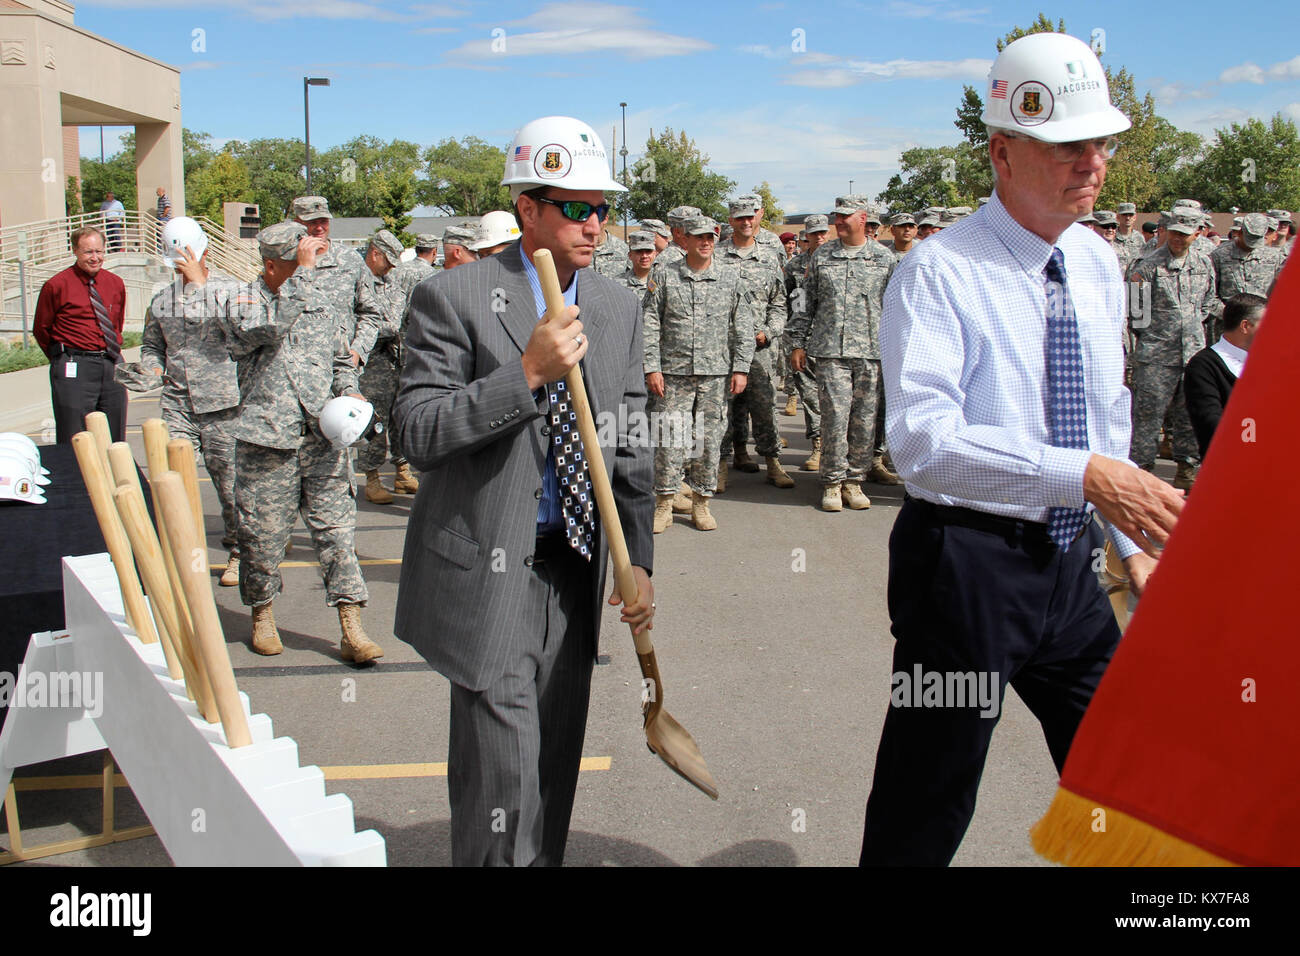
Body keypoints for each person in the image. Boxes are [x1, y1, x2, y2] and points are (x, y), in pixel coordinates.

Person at [860, 31, 1184, 866]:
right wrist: (1084, 475)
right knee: (928, 795)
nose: (1093, 163)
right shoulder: (938, 271)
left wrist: (1129, 541)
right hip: (965, 571)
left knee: (1123, 776)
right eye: (1067, 145)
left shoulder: (1098, 259)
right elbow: (925, 444)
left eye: (1102, 143)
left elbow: (1105, 411)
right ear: (1003, 151)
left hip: (1070, 567)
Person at [392, 115, 655, 867]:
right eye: (576, 206)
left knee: (552, 769)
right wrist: (526, 375)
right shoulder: (454, 297)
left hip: (573, 566)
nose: (595, 223)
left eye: (603, 206)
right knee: (503, 775)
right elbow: (415, 430)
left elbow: (628, 440)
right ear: (528, 207)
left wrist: (636, 559)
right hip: (489, 568)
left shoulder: (615, 307)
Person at [220, 221, 382, 662]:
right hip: (266, 442)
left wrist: (350, 390)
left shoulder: (319, 302)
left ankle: (352, 628)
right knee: (263, 538)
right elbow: (263, 333)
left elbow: (339, 359)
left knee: (337, 535)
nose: (304, 269)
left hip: (322, 439)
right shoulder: (243, 302)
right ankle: (263, 614)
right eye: (295, 263)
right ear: (271, 265)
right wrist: (306, 276)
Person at [139, 217, 244, 586]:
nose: (182, 265)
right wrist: (151, 369)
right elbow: (152, 345)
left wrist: (202, 288)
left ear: (204, 252)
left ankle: (239, 551)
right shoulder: (162, 299)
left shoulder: (232, 291)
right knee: (172, 482)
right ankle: (181, 552)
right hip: (178, 404)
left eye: (188, 256)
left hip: (224, 404)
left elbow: (245, 334)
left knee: (230, 484)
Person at [645, 215, 758, 531]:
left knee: (708, 439)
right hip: (673, 372)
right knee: (670, 437)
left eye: (711, 236)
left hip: (715, 374)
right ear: (685, 240)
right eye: (699, 236)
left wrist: (740, 368)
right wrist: (651, 366)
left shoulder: (730, 278)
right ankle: (665, 503)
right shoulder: (665, 276)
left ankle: (701, 503)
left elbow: (743, 326)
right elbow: (651, 323)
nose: (706, 241)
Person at [787, 195, 897, 512]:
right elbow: (804, 303)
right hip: (830, 351)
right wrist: (797, 342)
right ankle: (833, 482)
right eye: (837, 215)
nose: (839, 221)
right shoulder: (822, 257)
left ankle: (854, 481)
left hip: (870, 352)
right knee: (835, 417)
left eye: (845, 216)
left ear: (862, 219)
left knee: (863, 420)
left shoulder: (883, 259)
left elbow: (893, 309)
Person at [1126, 208, 1216, 490]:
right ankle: (1142, 474)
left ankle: (1187, 470)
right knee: (1148, 418)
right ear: (1166, 231)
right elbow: (1137, 316)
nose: (1179, 239)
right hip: (1156, 357)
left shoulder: (1204, 263)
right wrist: (1160, 338)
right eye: (1175, 232)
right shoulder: (1145, 267)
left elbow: (1207, 304)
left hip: (1193, 355)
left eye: (1185, 235)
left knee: (1190, 415)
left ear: (1197, 234)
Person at [715, 196, 795, 491]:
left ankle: (773, 463)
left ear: (757, 218)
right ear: (731, 220)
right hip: (723, 348)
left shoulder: (769, 256)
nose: (746, 222)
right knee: (722, 408)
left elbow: (778, 304)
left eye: (750, 217)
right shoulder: (716, 255)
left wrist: (771, 332)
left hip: (760, 348)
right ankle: (721, 466)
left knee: (765, 406)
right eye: (739, 218)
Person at [33, 226, 128, 443]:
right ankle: (75, 477)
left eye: (99, 251)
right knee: (75, 436)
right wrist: (63, 356)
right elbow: (41, 328)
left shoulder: (115, 283)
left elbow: (116, 323)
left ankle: (114, 476)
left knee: (115, 434)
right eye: (88, 252)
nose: (95, 258)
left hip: (110, 363)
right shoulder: (57, 285)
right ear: (75, 251)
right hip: (74, 365)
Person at [356, 230, 417, 504]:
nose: (392, 266)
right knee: (375, 422)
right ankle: (372, 478)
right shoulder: (357, 280)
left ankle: (402, 472)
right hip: (372, 364)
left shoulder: (392, 281)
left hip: (397, 361)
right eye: (387, 260)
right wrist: (385, 328)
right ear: (375, 253)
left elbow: (398, 319)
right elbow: (360, 323)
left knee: (400, 417)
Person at [290, 196, 383, 370]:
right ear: (297, 223)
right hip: (299, 369)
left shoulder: (349, 259)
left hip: (340, 368)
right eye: (312, 222)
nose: (319, 228)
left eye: (323, 221)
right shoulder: (285, 262)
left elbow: (371, 313)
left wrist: (358, 351)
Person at [1184, 293, 1265, 460]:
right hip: (1229, 464)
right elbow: (1211, 424)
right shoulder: (1203, 366)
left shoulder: (1269, 362)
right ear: (1245, 326)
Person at [782, 214, 829, 470]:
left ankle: (839, 450)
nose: (819, 238)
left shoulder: (836, 261)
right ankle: (818, 446)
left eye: (823, 233)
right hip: (803, 340)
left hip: (833, 342)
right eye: (814, 234)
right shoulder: (796, 266)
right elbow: (784, 299)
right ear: (806, 236)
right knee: (810, 396)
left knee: (836, 399)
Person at [1207, 212, 1282, 341]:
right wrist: (1229, 314)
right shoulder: (1219, 256)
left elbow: (1281, 292)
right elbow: (1209, 294)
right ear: (1240, 232)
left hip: (1261, 326)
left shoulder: (1274, 257)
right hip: (1228, 326)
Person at [618, 229, 657, 294]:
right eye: (639, 251)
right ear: (630, 255)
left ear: (655, 254)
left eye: (648, 251)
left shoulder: (663, 281)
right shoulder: (618, 284)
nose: (644, 256)